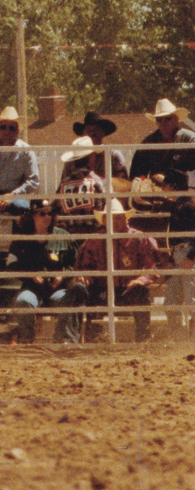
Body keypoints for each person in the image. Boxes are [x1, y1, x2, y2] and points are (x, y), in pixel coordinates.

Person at [69, 198, 166, 342]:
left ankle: (142, 340)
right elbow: (83, 265)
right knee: (91, 296)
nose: (114, 222)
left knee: (140, 293)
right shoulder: (94, 240)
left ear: (124, 219)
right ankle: (93, 340)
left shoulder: (139, 238)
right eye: (110, 218)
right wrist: (85, 275)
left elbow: (154, 265)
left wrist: (141, 280)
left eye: (118, 218)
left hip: (129, 287)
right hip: (102, 288)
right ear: (104, 220)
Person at [6, 200, 78, 343]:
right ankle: (26, 340)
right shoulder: (21, 238)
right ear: (32, 216)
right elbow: (11, 264)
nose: (47, 217)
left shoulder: (63, 237)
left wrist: (63, 274)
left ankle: (63, 341)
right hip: (32, 289)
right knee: (23, 301)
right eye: (42, 214)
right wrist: (30, 274)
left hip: (57, 289)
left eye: (50, 213)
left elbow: (76, 263)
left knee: (69, 300)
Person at [0, 107, 40, 216]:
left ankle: (19, 233)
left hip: (15, 197)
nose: (7, 131)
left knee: (23, 209)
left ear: (17, 131)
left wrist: (12, 195)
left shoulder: (26, 151)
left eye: (11, 128)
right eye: (3, 127)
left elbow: (33, 180)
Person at [158, 168, 195, 339]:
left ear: (171, 186)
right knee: (176, 299)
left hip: (186, 252)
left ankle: (187, 338)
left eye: (164, 186)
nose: (163, 189)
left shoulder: (186, 206)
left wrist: (191, 256)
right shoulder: (183, 205)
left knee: (189, 299)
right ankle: (183, 338)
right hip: (181, 253)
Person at [129, 98, 195, 183]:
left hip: (185, 192)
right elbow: (136, 175)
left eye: (168, 118)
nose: (163, 122)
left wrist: (168, 180)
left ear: (176, 119)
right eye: (159, 119)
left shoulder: (190, 140)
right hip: (155, 191)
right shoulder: (148, 143)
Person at [73, 111, 128, 179]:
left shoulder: (114, 156)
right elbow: (63, 185)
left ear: (103, 132)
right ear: (82, 133)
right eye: (88, 130)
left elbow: (124, 184)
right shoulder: (73, 158)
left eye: (96, 129)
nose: (92, 133)